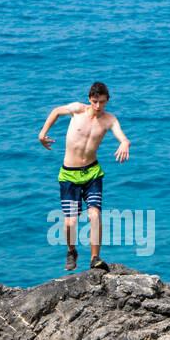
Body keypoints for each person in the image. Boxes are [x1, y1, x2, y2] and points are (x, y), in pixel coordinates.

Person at [38, 81, 131, 271]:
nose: (98, 106)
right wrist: (42, 134)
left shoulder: (109, 120)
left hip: (92, 173)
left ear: (107, 101)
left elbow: (122, 136)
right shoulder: (77, 109)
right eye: (95, 101)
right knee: (70, 221)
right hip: (69, 175)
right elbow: (56, 111)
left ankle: (95, 258)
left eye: (102, 102)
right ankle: (71, 251)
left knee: (94, 215)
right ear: (90, 99)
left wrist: (125, 143)